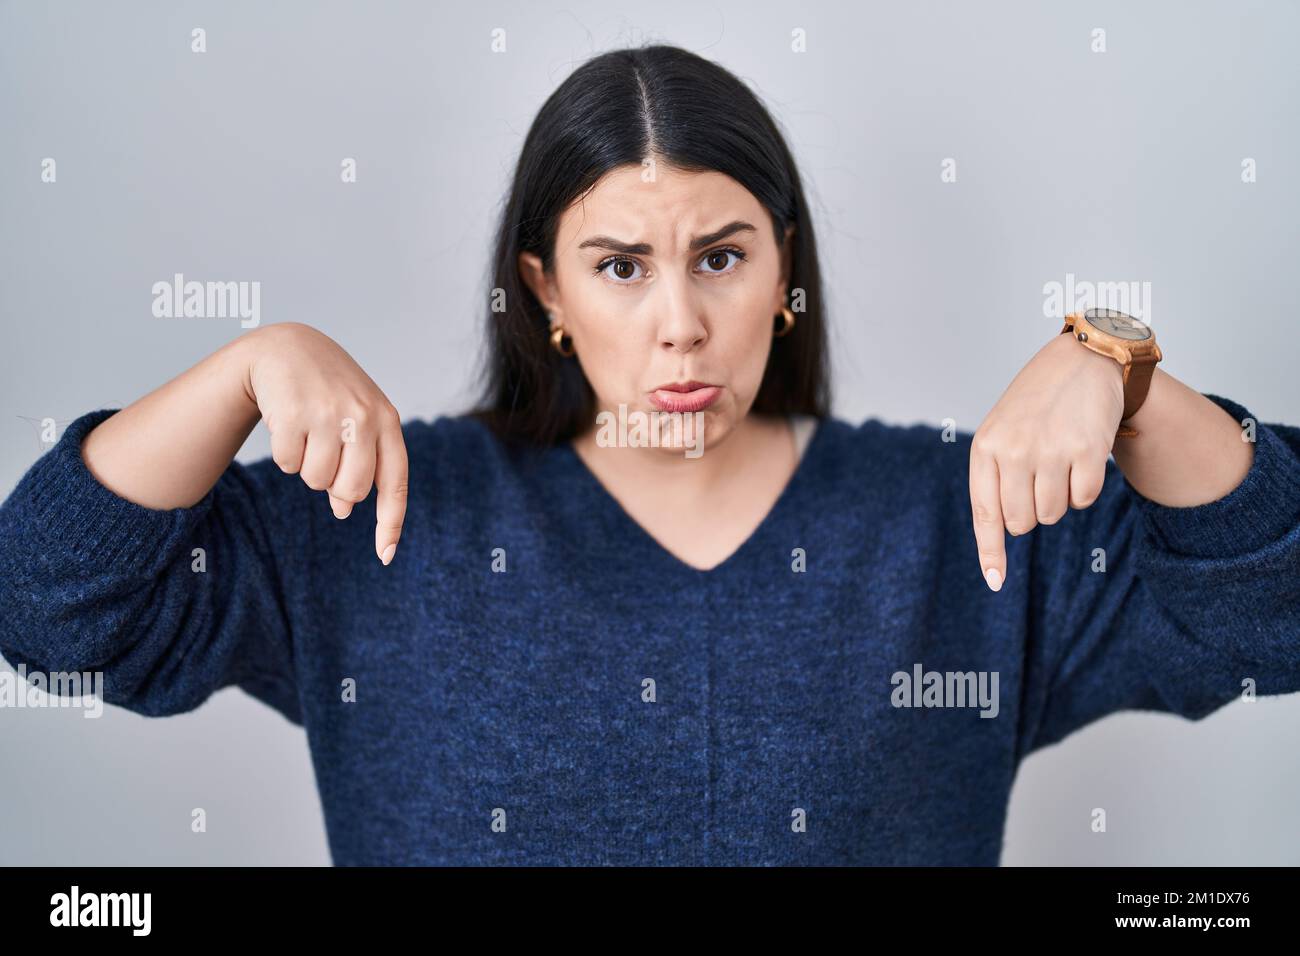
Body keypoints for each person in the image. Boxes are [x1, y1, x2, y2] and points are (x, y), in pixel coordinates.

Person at [2, 44, 1298, 866]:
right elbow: (47, 613)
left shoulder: (962, 520)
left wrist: (1123, 372)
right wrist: (241, 366)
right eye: (620, 266)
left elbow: (1272, 620)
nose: (680, 319)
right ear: (545, 290)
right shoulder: (376, 516)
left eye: (723, 257)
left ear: (785, 268)